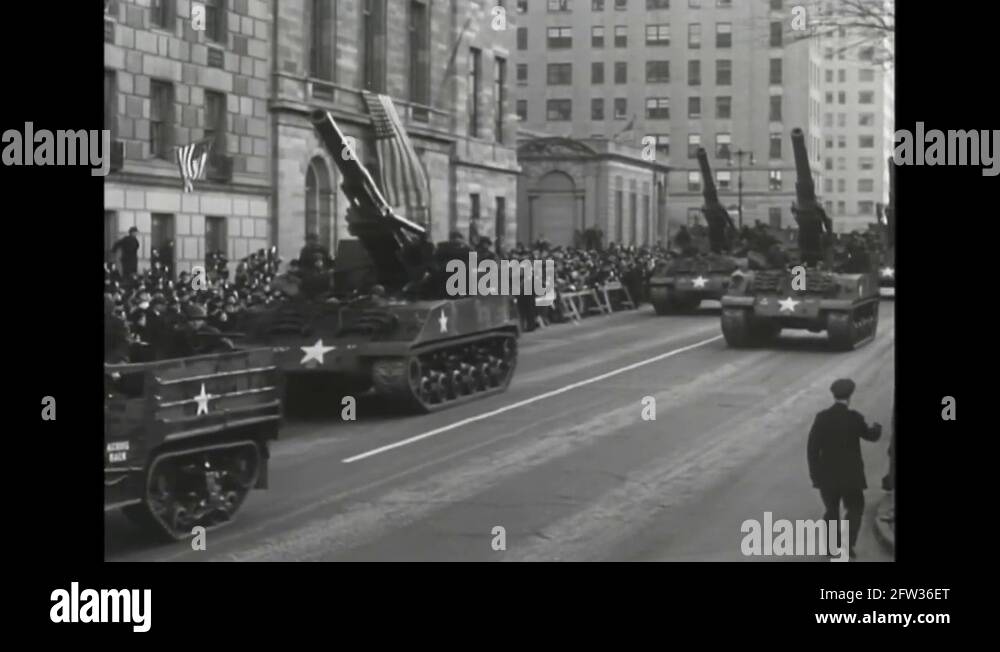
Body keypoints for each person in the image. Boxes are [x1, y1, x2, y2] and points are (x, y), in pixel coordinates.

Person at [807, 378, 883, 559]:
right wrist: (877, 427)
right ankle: (848, 545)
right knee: (855, 508)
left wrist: (815, 476)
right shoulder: (854, 418)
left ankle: (832, 547)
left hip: (827, 478)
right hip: (852, 477)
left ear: (834, 395)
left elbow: (812, 449)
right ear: (849, 397)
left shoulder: (822, 418)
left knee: (831, 510)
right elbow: (872, 436)